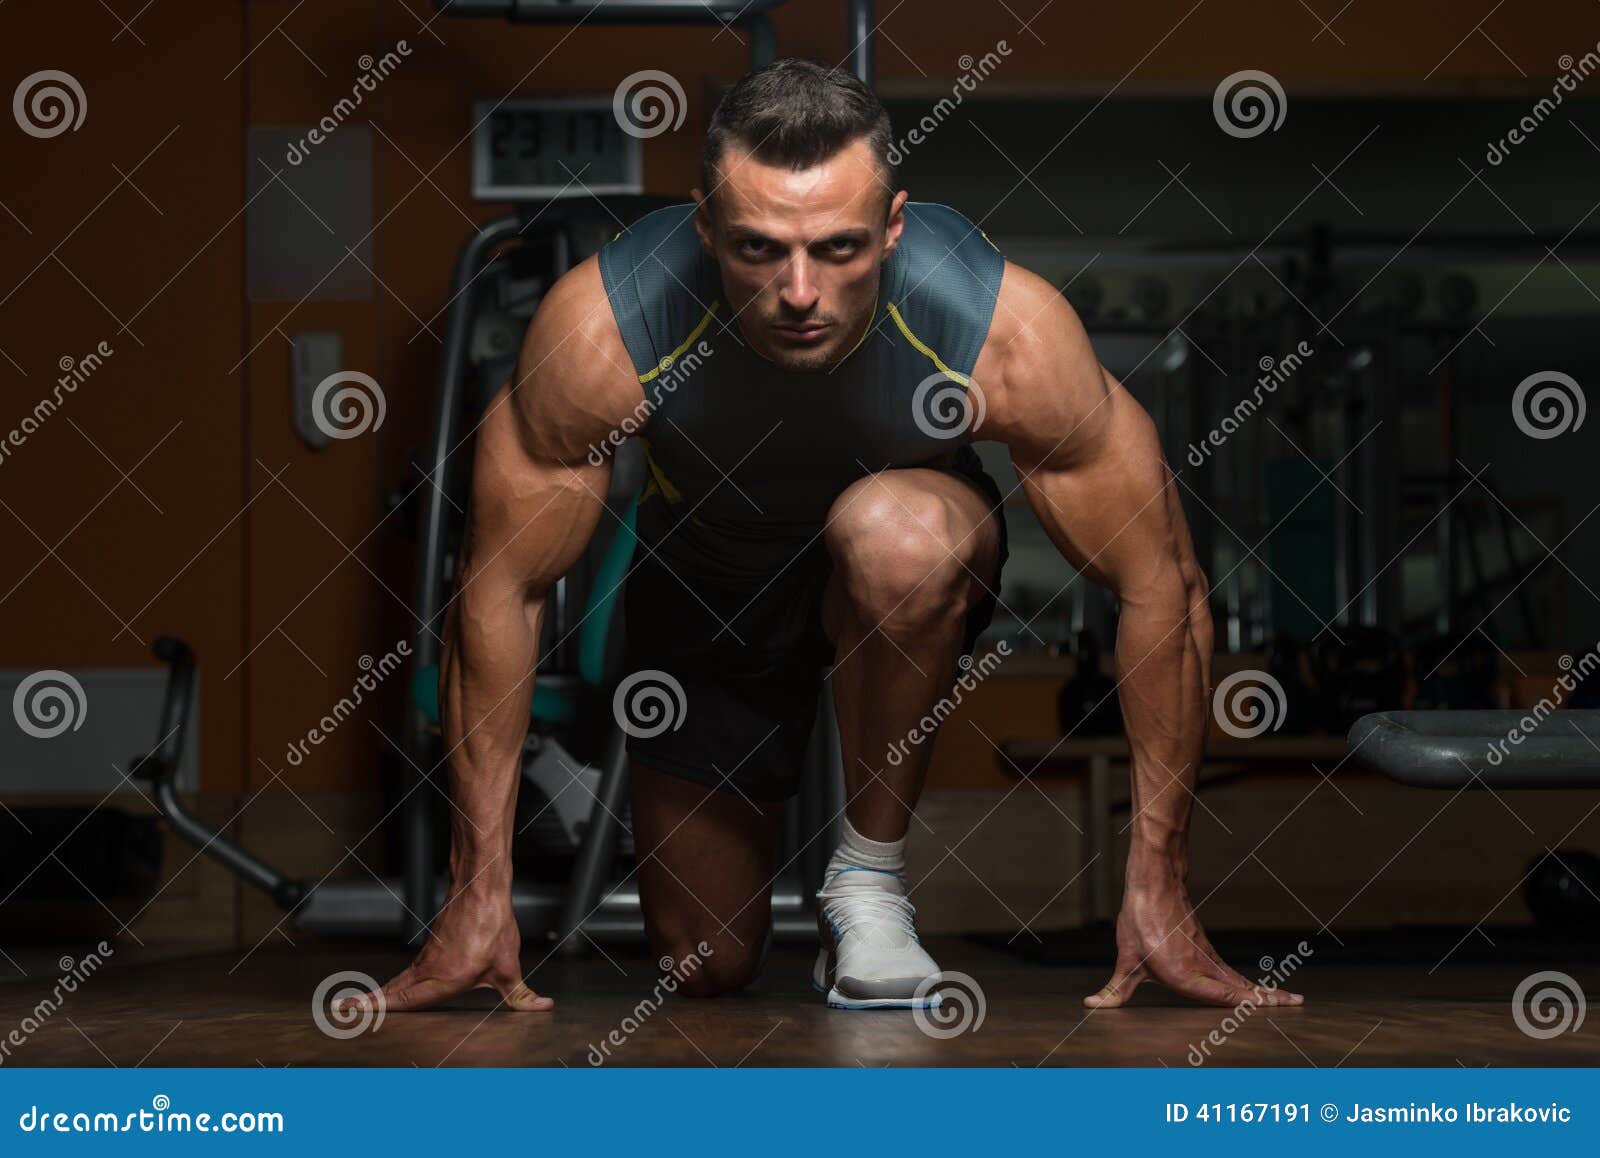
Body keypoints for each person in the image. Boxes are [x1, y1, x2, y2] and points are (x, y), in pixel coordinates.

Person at [361, 59, 1302, 1014]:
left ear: (894, 225)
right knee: (705, 962)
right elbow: (499, 590)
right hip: (713, 577)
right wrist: (474, 890)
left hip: (910, 542)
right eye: (759, 249)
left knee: (895, 534)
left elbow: (1162, 588)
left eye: (841, 248)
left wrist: (1162, 885)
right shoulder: (605, 332)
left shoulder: (999, 331)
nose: (800, 291)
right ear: (705, 229)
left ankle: (868, 884)